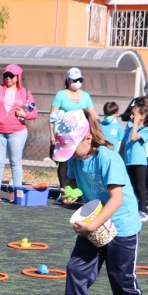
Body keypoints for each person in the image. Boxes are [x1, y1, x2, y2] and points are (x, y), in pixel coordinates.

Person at [48, 109, 148, 295]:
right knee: (77, 270)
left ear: (87, 138)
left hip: (121, 228)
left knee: (122, 281)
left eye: (72, 148)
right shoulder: (76, 158)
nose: (70, 155)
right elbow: (73, 182)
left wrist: (92, 226)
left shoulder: (107, 157)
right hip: (95, 224)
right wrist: (70, 192)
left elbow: (116, 199)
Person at [0, 63, 38, 202]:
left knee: (15, 162)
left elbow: (34, 113)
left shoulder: (25, 93)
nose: (8, 78)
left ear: (18, 77)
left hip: (17, 132)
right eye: (6, 75)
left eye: (11, 76)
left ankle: (17, 191)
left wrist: (23, 114)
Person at [49, 67, 93, 200]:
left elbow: (92, 114)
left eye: (80, 80)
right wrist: (52, 135)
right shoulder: (61, 95)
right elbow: (53, 116)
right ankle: (64, 191)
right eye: (75, 80)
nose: (77, 82)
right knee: (64, 163)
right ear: (68, 80)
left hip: (81, 136)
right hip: (65, 136)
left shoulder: (85, 96)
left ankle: (79, 191)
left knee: (80, 162)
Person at [119, 98, 148, 220]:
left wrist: (137, 123)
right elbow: (125, 141)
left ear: (142, 116)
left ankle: (142, 211)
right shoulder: (130, 125)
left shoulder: (145, 129)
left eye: (135, 115)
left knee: (140, 186)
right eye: (132, 114)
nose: (132, 116)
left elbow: (133, 138)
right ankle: (132, 208)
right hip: (128, 160)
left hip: (139, 161)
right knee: (130, 185)